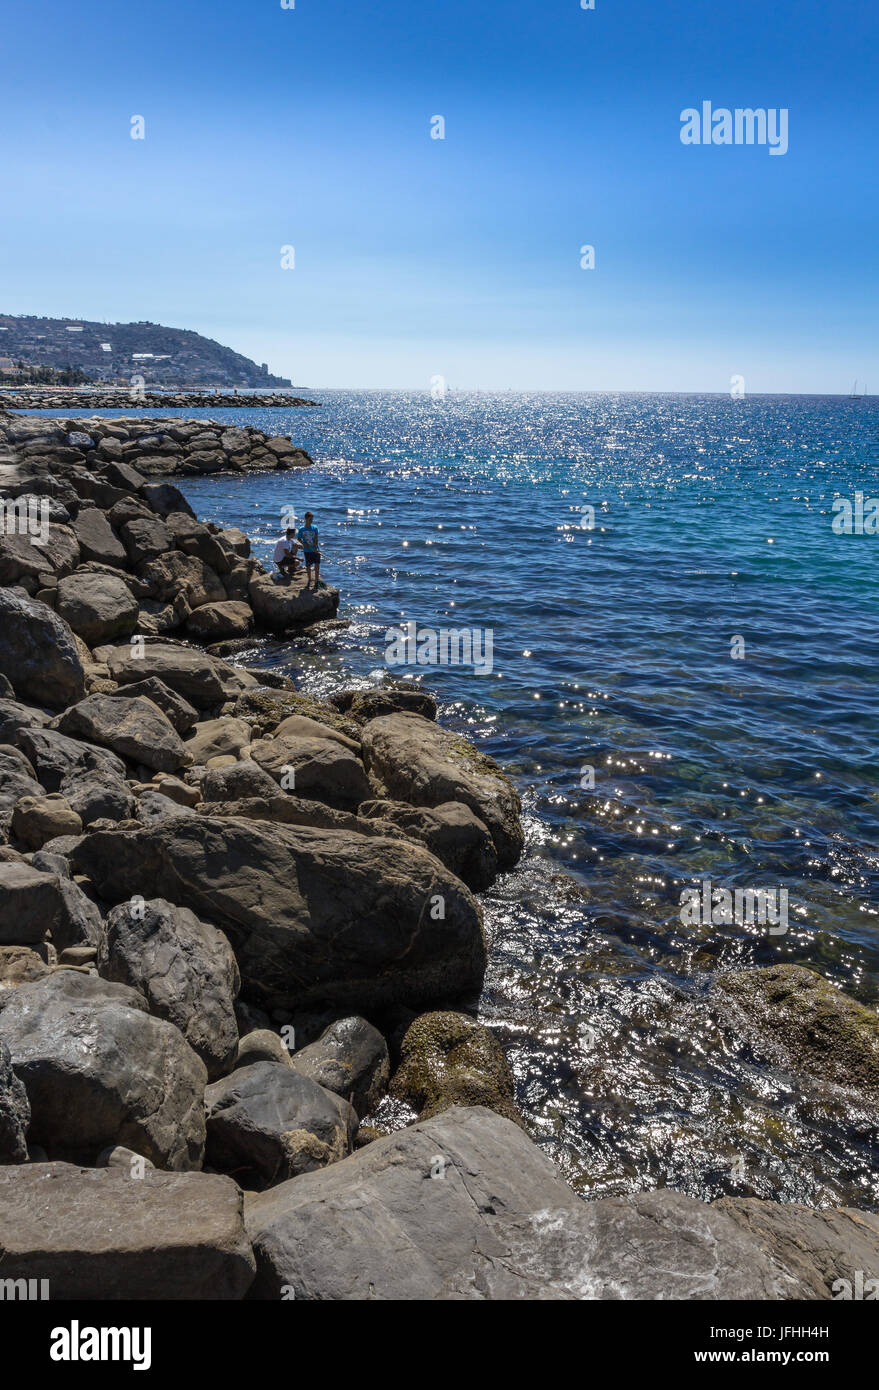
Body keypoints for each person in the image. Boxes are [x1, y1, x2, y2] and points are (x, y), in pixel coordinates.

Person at [298, 512, 322, 588]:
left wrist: (316, 548)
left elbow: (316, 539)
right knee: (308, 565)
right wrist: (304, 544)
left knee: (317, 565)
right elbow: (299, 538)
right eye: (310, 519)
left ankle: (316, 581)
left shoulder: (315, 528)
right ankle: (309, 580)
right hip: (307, 550)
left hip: (315, 550)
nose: (311, 521)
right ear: (306, 519)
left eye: (312, 519)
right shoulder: (302, 529)